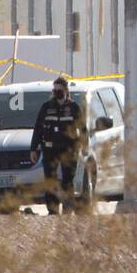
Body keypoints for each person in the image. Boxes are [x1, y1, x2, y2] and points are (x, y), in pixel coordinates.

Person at [30, 76, 85, 214]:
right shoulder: (46, 107)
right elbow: (38, 129)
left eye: (59, 90)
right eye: (54, 90)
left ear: (66, 90)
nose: (56, 92)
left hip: (69, 150)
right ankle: (53, 210)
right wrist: (33, 149)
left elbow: (83, 128)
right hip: (50, 149)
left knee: (67, 180)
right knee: (50, 180)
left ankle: (67, 209)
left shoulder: (73, 108)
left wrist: (84, 146)